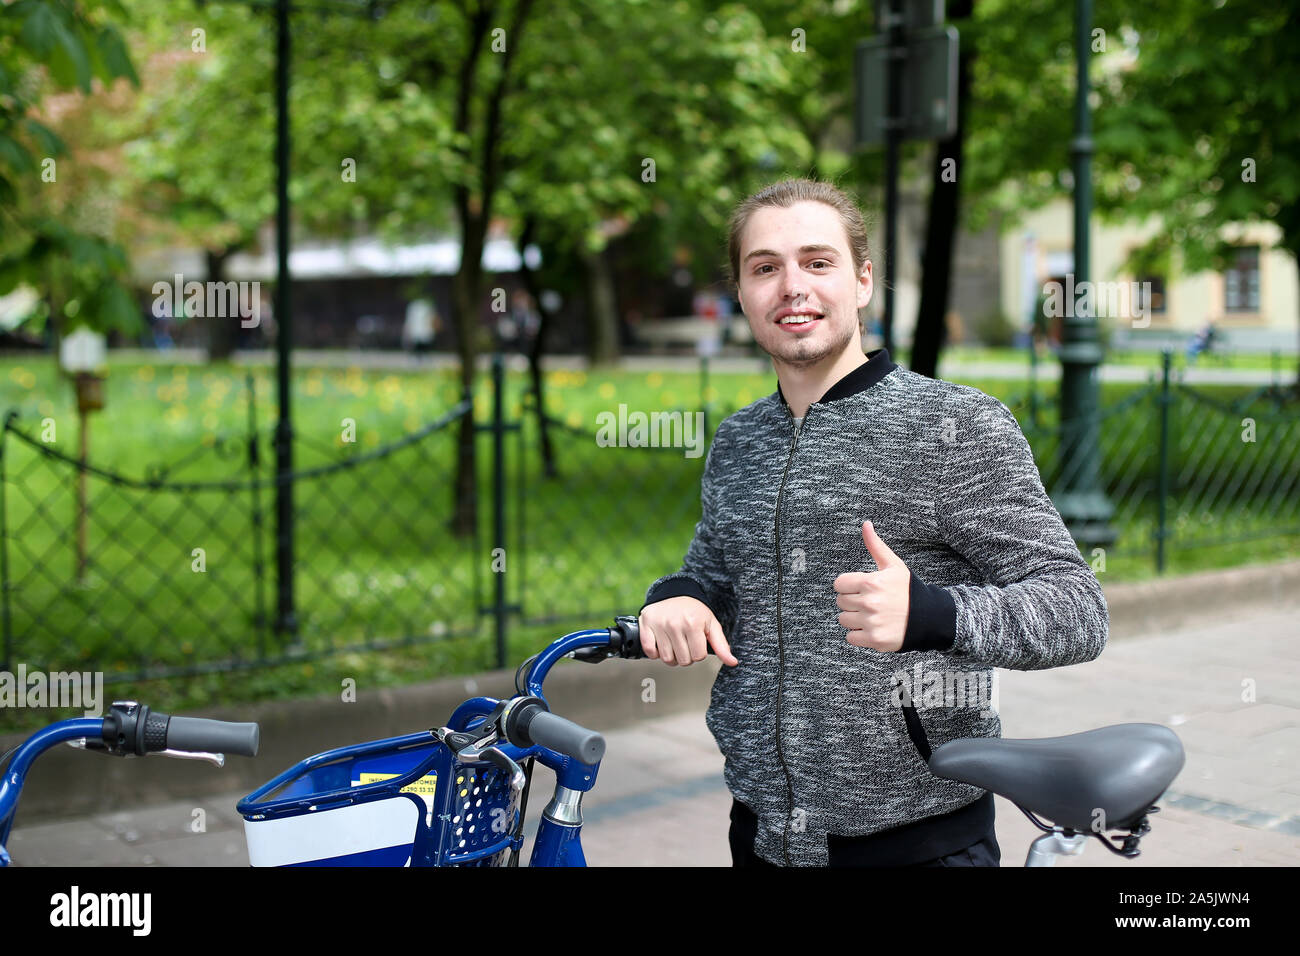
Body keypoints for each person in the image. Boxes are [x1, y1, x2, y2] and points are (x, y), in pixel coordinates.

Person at [637, 178, 1109, 867]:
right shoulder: (740, 441)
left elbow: (1078, 610)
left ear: (862, 282)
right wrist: (680, 595)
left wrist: (934, 613)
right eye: (765, 267)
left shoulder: (955, 427)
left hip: (919, 844)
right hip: (762, 835)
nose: (792, 286)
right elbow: (715, 572)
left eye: (817, 262)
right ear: (741, 293)